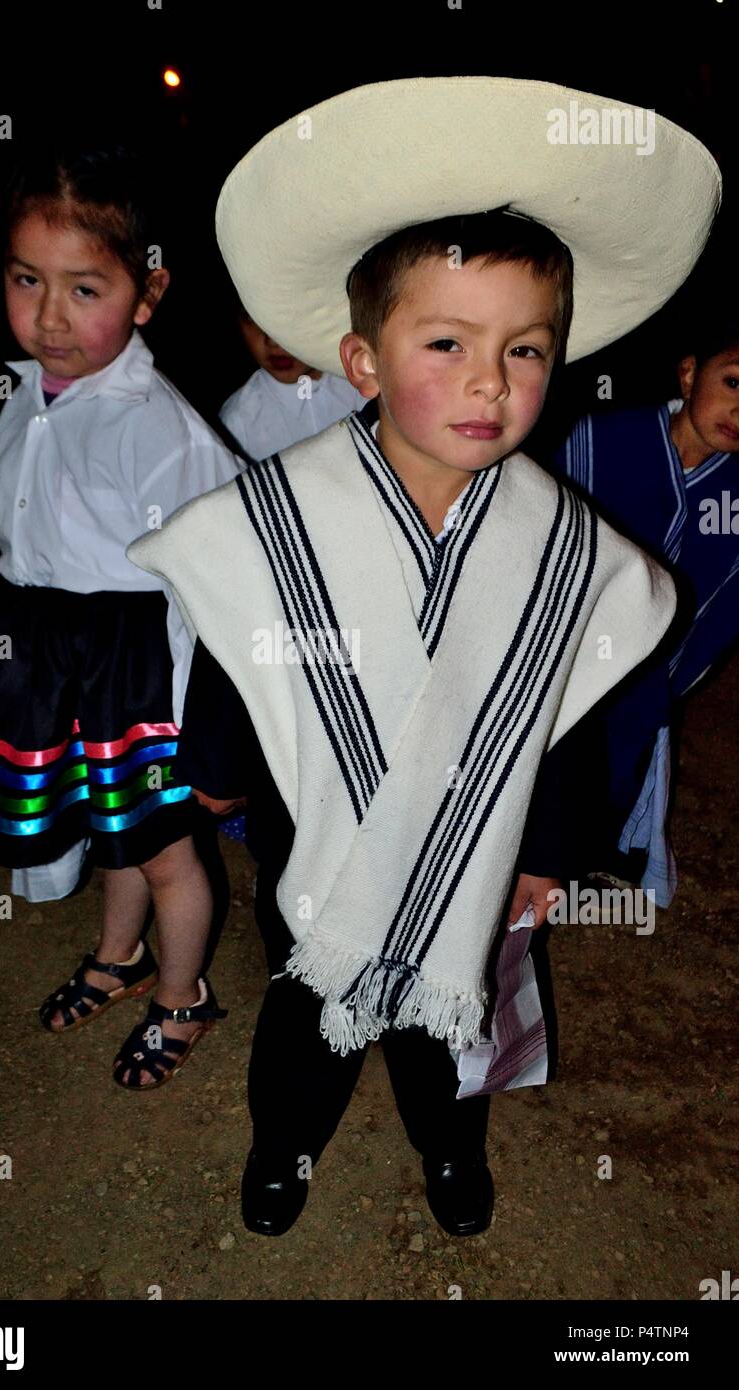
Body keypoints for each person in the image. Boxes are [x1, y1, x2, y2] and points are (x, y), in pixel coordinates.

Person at [128, 76, 718, 1236]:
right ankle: (285, 1141)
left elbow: (566, 705)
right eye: (445, 342)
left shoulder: (555, 542)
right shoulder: (290, 506)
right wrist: (216, 764)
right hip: (323, 831)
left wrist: (548, 850)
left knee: (453, 1018)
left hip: (481, 840)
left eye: (526, 349)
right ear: (360, 356)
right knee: (307, 1006)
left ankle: (449, 1148)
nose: (491, 382)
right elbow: (254, 631)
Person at [0, 144, 243, 1089]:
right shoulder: (25, 394)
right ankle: (118, 960)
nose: (48, 316)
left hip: (136, 658)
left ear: (148, 292)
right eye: (28, 280)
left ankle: (183, 994)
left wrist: (208, 729)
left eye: (86, 289)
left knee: (162, 847)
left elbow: (226, 574)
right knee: (106, 823)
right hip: (53, 646)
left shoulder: (155, 426)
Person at [552, 316, 739, 906]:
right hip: (565, 646)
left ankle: (587, 859)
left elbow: (724, 600)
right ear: (689, 374)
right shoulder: (597, 437)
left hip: (652, 670)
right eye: (733, 382)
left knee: (624, 751)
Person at [220, 299, 364, 463]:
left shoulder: (365, 385)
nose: (273, 341)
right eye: (252, 318)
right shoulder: (237, 425)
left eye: (287, 317)